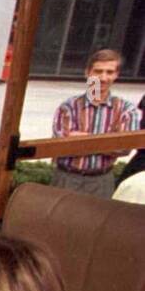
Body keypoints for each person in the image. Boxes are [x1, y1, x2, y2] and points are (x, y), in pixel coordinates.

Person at [51, 50, 142, 198]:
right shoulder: (68, 107)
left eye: (109, 72)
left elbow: (124, 148)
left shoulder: (126, 110)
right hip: (66, 178)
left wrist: (81, 138)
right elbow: (61, 144)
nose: (103, 78)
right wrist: (109, 141)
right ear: (87, 73)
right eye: (98, 71)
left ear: (116, 75)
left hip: (101, 180)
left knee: (98, 220)